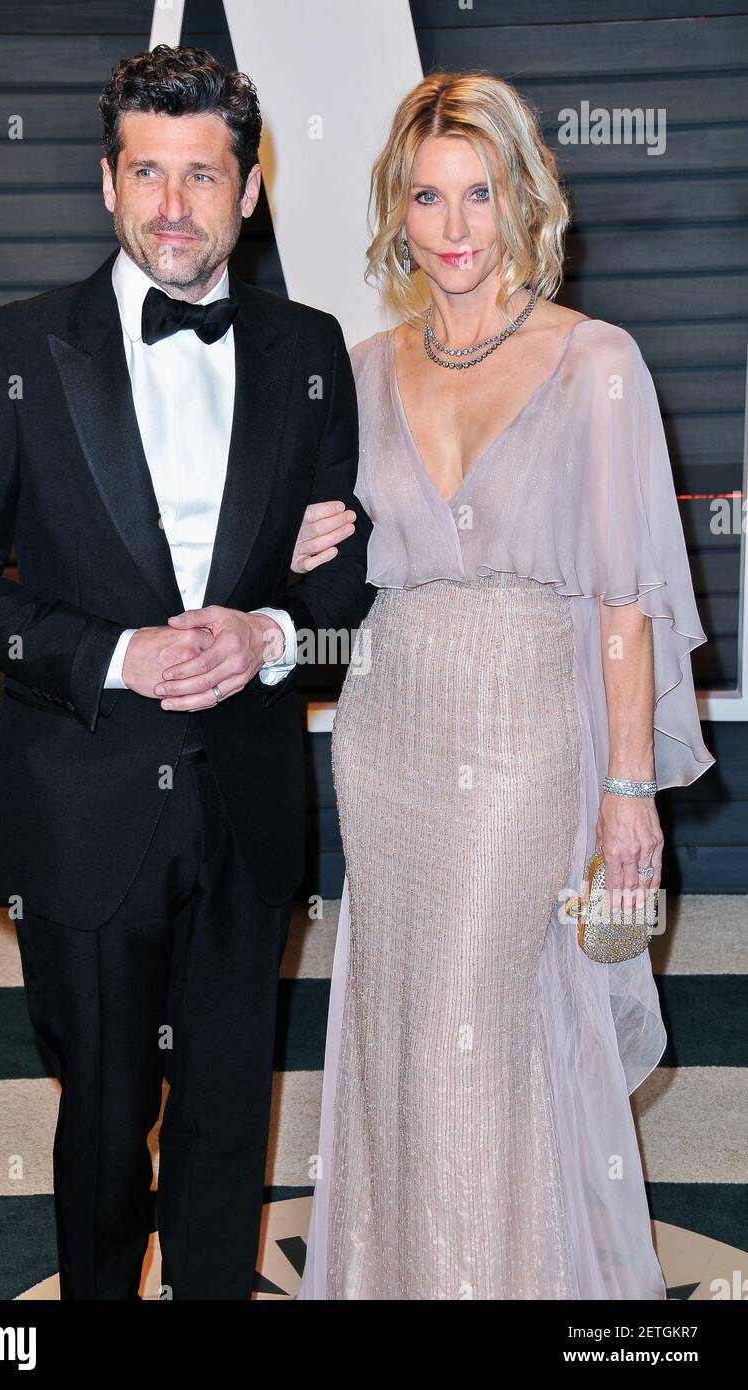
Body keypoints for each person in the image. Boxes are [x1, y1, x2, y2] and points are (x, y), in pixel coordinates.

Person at [0, 44, 371, 1301]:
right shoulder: (12, 345)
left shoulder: (312, 349)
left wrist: (270, 631)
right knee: (103, 1126)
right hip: (81, 800)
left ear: (250, 190)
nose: (175, 205)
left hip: (246, 801)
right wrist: (114, 650)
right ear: (107, 184)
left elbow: (340, 569)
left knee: (227, 1121)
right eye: (148, 174)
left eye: (204, 176)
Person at [299, 70, 714, 1300]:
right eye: (427, 196)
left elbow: (627, 594)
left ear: (521, 199)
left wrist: (627, 785)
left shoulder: (595, 363)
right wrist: (302, 544)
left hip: (527, 736)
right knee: (400, 1028)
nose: (454, 225)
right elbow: (327, 556)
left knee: (476, 1031)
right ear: (398, 209)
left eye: (478, 192)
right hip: (386, 736)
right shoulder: (362, 368)